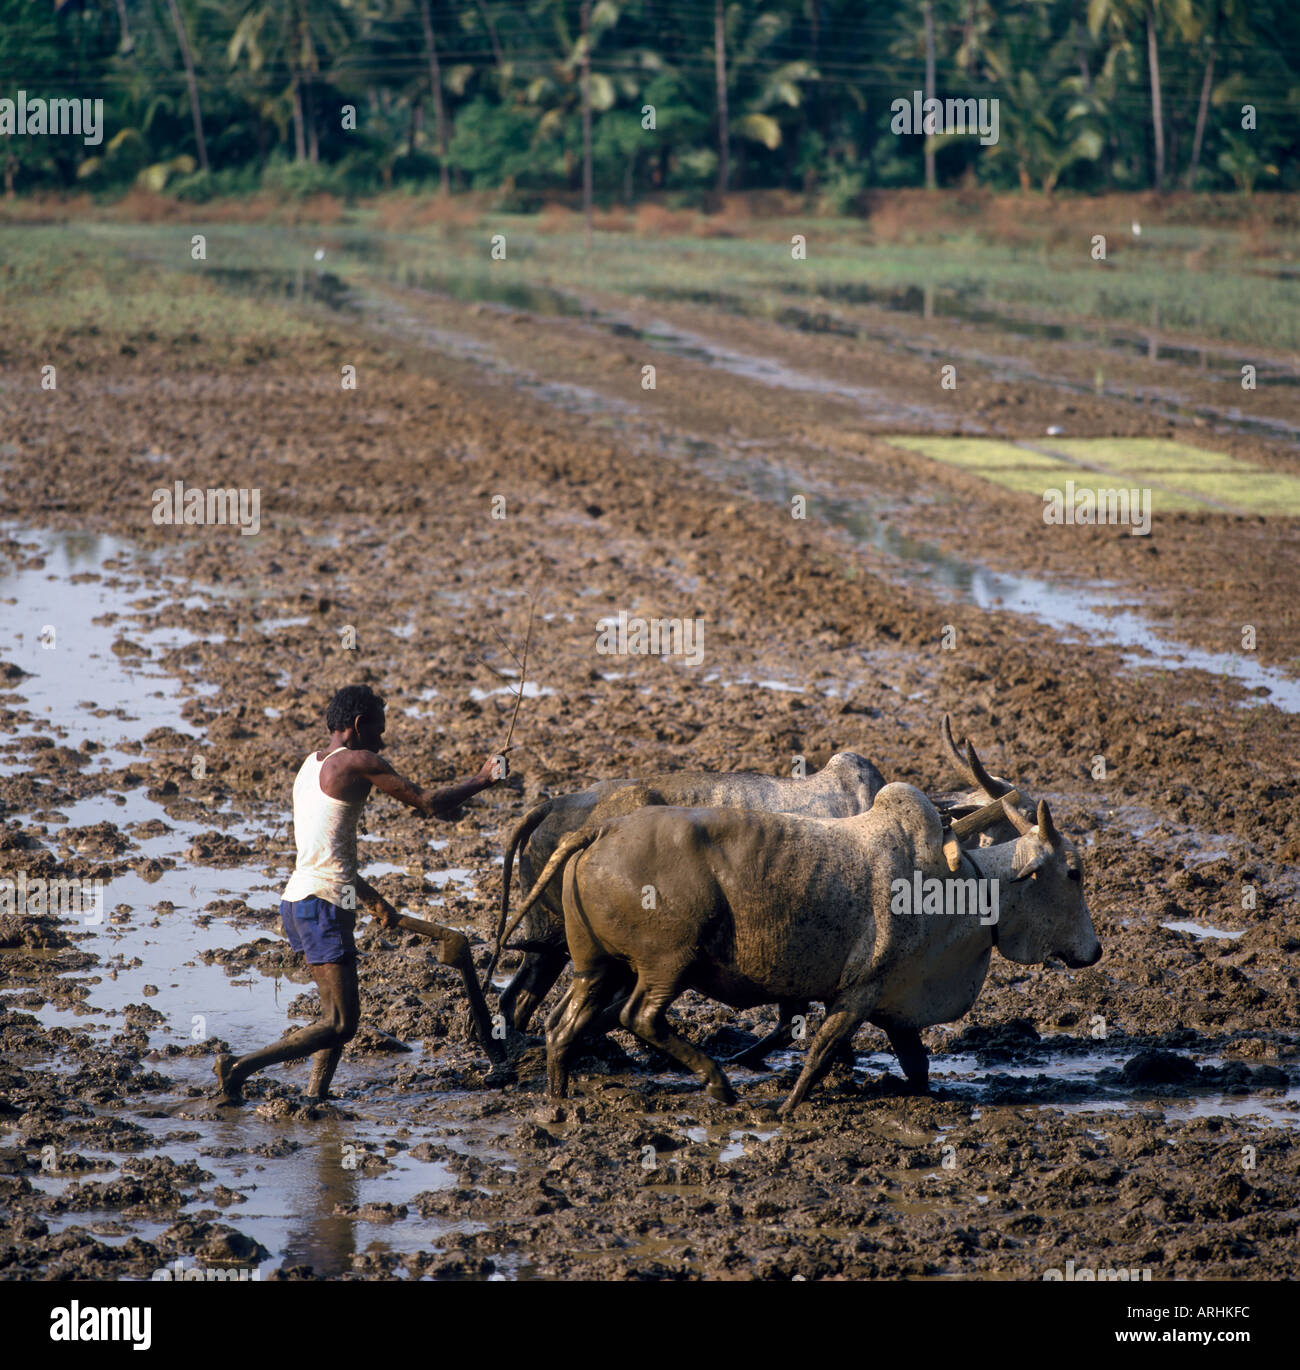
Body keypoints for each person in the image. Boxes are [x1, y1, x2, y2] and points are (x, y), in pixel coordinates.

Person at [213, 683, 508, 1105]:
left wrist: (371, 900)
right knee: (341, 1024)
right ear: (357, 725)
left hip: (299, 900)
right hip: (323, 905)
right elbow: (428, 803)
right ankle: (239, 1067)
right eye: (379, 729)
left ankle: (316, 1096)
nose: (383, 740)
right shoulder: (359, 762)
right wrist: (483, 779)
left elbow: (324, 853)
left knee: (333, 1012)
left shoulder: (309, 766)